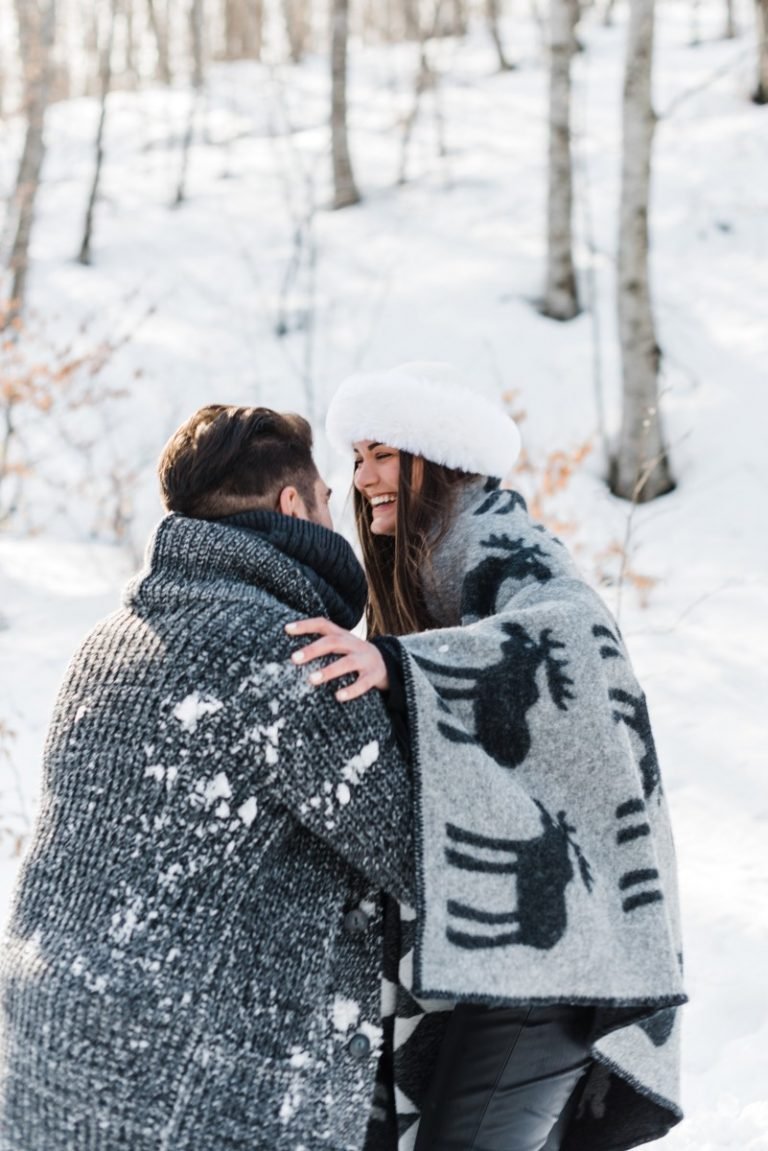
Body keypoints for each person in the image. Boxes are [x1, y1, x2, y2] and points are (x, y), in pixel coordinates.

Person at [289, 363, 686, 1151]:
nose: (363, 478)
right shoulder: (434, 560)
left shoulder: (500, 539)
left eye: (382, 455)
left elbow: (574, 635)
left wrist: (399, 664)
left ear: (437, 459)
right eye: (357, 459)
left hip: (554, 949)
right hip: (509, 949)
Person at [0, 404, 415, 1151]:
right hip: (192, 1098)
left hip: (40, 1059)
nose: (337, 519)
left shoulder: (108, 641)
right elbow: (418, 850)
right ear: (294, 507)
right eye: (328, 500)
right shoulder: (294, 653)